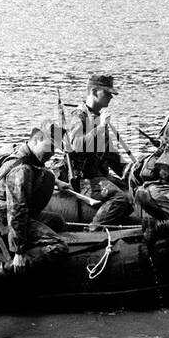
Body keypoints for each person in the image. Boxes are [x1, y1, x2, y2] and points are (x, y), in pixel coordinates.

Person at [0, 124, 70, 281]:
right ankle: (5, 270)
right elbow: (17, 210)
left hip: (2, 210)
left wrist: (56, 182)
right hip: (3, 218)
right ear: (37, 139)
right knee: (59, 247)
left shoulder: (21, 152)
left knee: (57, 221)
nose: (52, 153)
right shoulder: (21, 170)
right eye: (50, 147)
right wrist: (18, 251)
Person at [59, 74, 134, 228]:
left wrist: (129, 171)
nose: (111, 98)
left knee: (132, 191)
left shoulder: (98, 117)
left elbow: (110, 154)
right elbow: (76, 146)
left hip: (98, 177)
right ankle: (94, 229)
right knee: (120, 199)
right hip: (83, 180)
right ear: (93, 91)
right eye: (107, 93)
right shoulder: (78, 116)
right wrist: (100, 128)